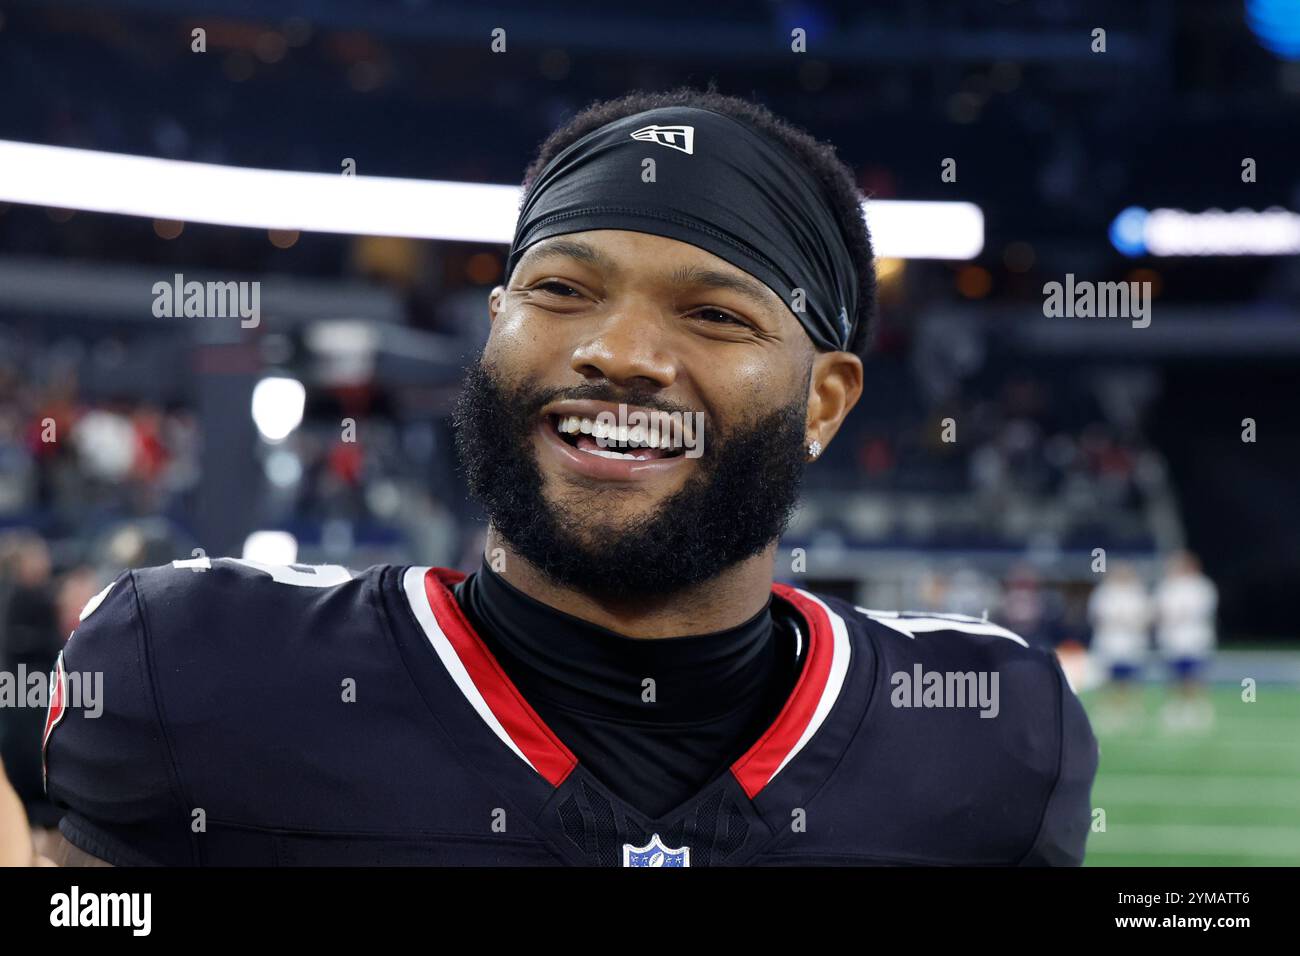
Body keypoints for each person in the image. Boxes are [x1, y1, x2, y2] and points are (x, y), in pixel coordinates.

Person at [9, 88, 1096, 867]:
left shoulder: (994, 738)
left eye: (713, 313)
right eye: (564, 288)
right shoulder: (197, 669)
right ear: (495, 330)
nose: (619, 350)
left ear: (825, 400)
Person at [1154, 551, 1218, 732]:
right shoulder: (1167, 586)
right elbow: (1160, 611)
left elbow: (1200, 612)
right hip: (1172, 640)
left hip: (1195, 639)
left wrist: (1179, 615)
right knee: (1174, 676)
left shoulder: (1202, 586)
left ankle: (1197, 709)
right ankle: (1175, 709)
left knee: (1194, 676)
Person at [1086, 563, 1152, 731]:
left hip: (1131, 641)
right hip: (1108, 640)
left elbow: (1145, 617)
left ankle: (1131, 708)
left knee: (1130, 678)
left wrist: (1128, 621)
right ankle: (1107, 709)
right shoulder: (1104, 593)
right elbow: (1096, 616)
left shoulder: (1137, 593)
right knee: (1106, 677)